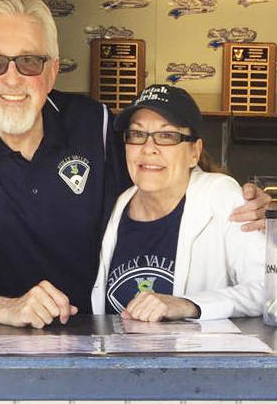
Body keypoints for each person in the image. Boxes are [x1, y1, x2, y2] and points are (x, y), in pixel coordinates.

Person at [0, 0, 267, 327]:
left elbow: (155, 171)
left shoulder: (91, 122)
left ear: (51, 72)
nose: (13, 79)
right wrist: (7, 308)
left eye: (30, 62)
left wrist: (242, 204)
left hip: (98, 338)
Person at [91, 84, 265, 322]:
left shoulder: (221, 196)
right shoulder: (121, 203)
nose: (148, 148)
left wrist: (188, 305)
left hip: (192, 359)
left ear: (194, 152)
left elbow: (267, 289)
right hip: (116, 359)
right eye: (137, 134)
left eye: (166, 136)